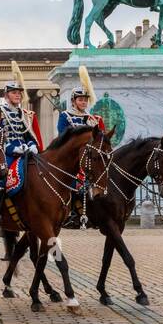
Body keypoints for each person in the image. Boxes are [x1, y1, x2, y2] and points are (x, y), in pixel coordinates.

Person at [0, 77, 40, 230]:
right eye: (14, 92)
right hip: (8, 154)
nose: (18, 95)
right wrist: (12, 149)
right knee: (3, 176)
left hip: (26, 152)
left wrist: (32, 146)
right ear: (6, 95)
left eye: (19, 93)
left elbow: (28, 135)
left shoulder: (24, 114)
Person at [57, 84, 101, 229]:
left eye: (85, 100)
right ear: (73, 101)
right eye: (80, 100)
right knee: (73, 184)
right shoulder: (65, 116)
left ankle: (93, 215)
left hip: (87, 158)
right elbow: (62, 137)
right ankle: (72, 214)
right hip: (71, 157)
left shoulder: (91, 119)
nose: (83, 102)